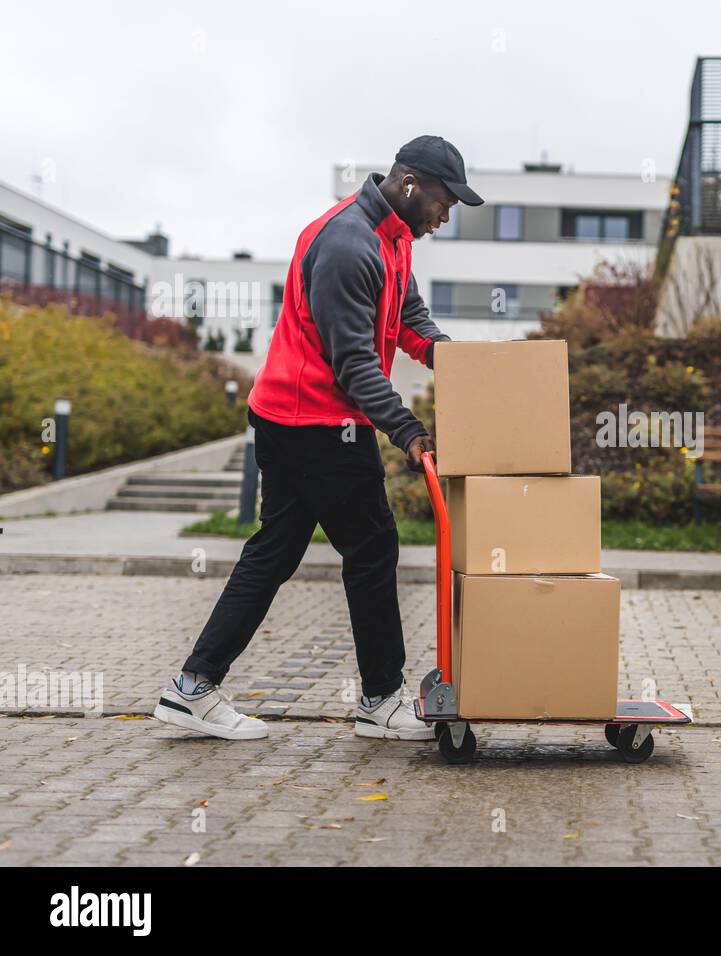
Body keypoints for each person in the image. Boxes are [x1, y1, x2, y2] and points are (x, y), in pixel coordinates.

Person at [153, 135, 483, 741]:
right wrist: (407, 431)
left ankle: (192, 689)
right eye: (444, 201)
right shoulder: (346, 244)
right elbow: (354, 364)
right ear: (409, 183)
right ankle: (382, 701)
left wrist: (456, 362)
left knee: (276, 549)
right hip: (316, 422)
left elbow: (409, 320)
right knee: (373, 546)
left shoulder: (395, 239)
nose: (445, 216)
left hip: (294, 417)